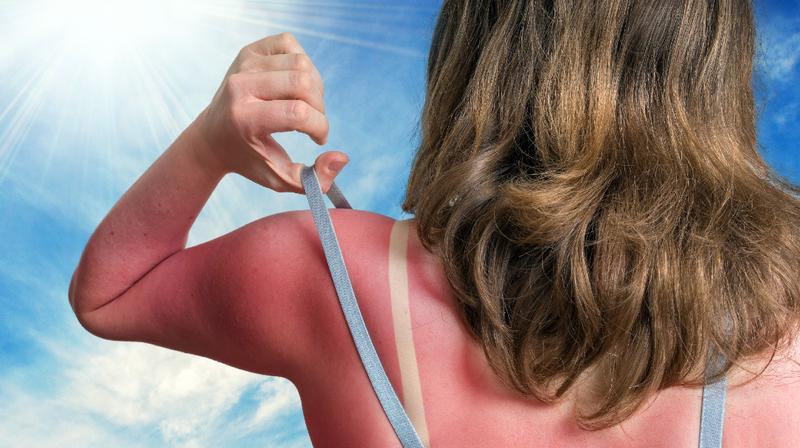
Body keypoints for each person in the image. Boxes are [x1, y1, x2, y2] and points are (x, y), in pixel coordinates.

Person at [69, 1, 800, 446]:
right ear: (711, 67)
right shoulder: (786, 324)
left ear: (474, 54)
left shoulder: (333, 278)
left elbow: (109, 294)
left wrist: (209, 144)